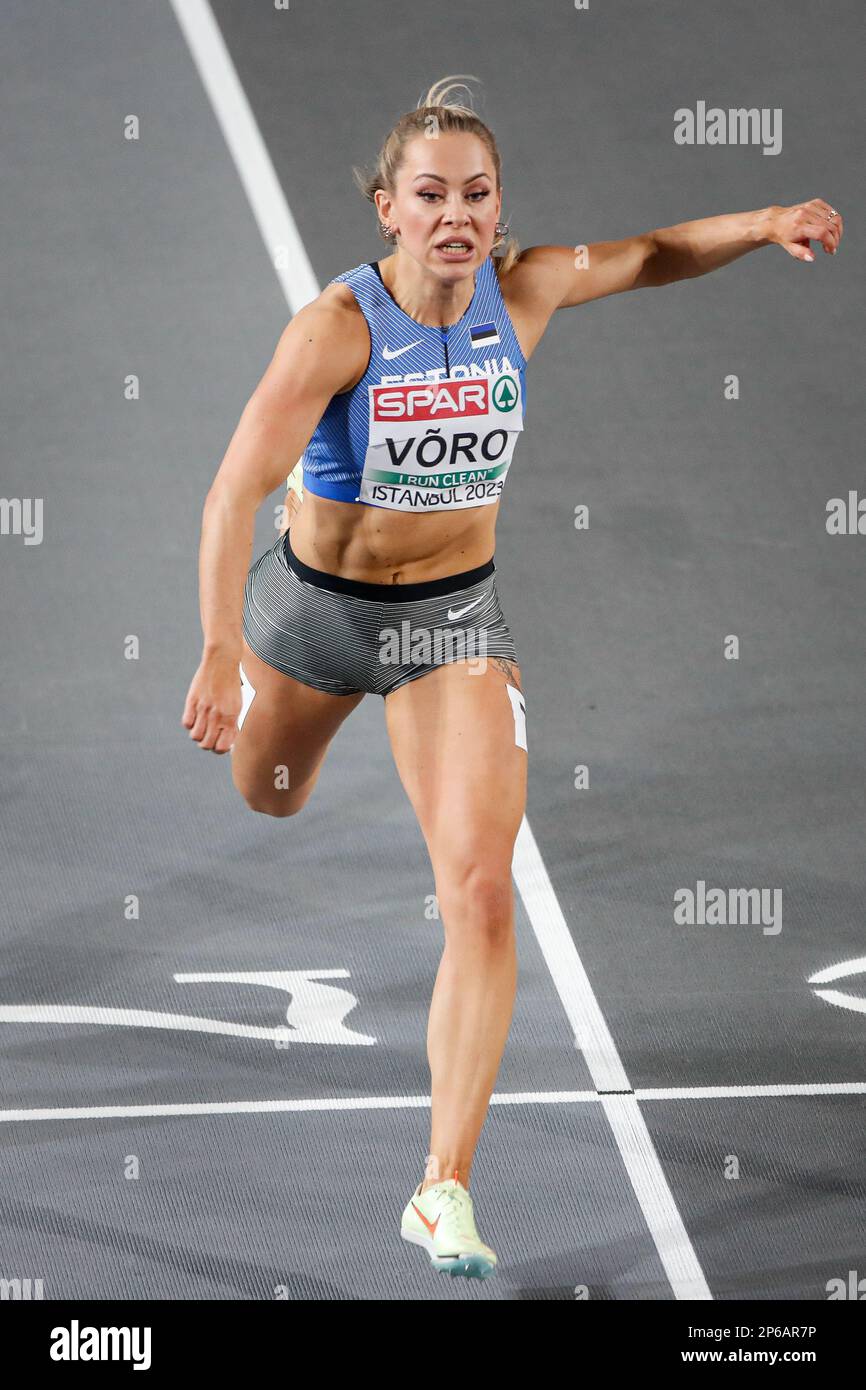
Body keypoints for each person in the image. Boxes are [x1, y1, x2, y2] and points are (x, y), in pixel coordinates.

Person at [182, 74, 842, 1280]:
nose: (456, 215)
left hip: (451, 625)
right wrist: (224, 646)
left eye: (476, 195)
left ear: (497, 210)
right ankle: (295, 702)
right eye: (430, 194)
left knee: (481, 890)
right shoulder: (333, 331)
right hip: (316, 616)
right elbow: (229, 490)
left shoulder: (523, 291)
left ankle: (441, 1186)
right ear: (387, 208)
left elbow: (645, 255)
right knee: (266, 793)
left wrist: (756, 224)